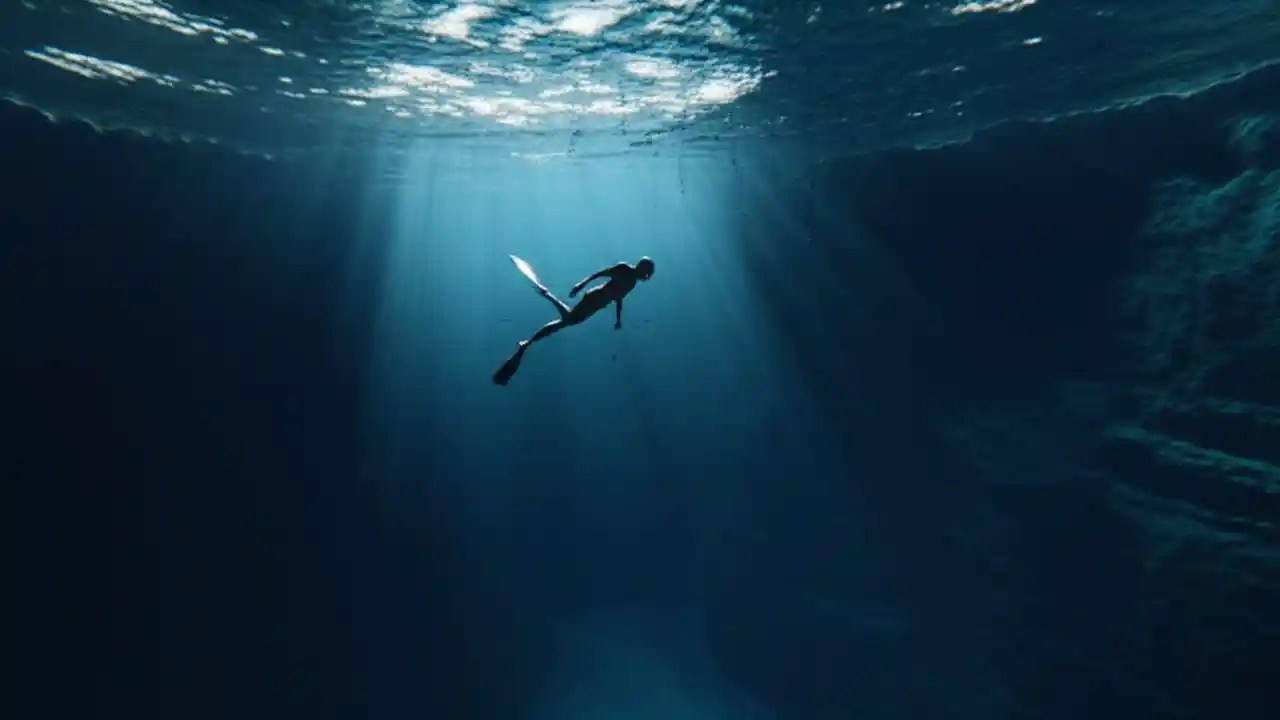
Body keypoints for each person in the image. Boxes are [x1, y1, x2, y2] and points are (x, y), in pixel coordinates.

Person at [493, 257, 655, 386]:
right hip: (595, 298)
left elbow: (619, 299)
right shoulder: (624, 269)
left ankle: (527, 344)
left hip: (598, 304)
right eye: (646, 271)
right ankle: (546, 295)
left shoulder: (631, 282)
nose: (645, 276)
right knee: (570, 319)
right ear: (643, 267)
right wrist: (580, 285)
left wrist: (618, 319)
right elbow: (599, 274)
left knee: (565, 322)